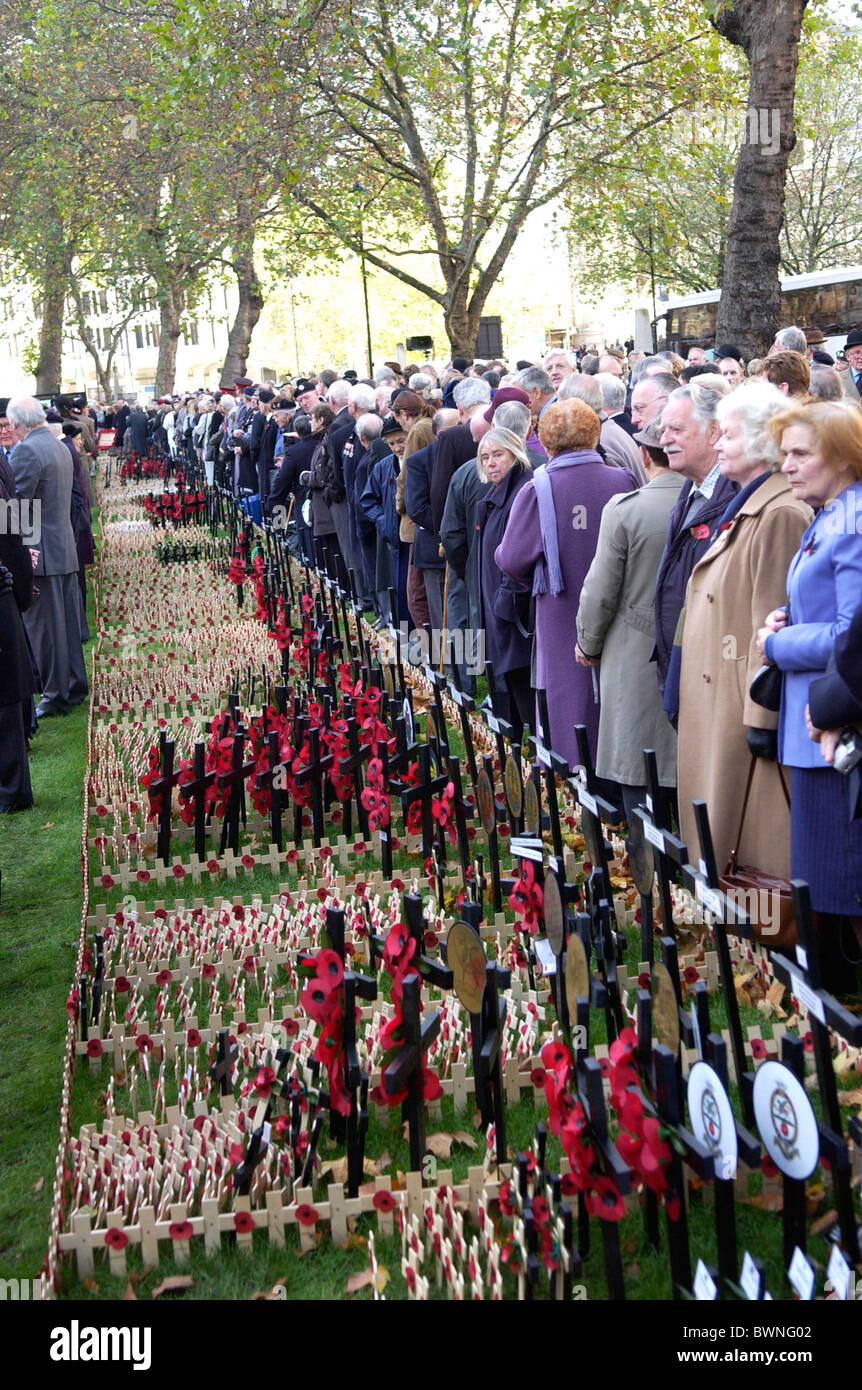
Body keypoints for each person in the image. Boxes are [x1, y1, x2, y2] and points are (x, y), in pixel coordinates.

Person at [675, 383, 812, 877]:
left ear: (757, 442)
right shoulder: (750, 504)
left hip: (738, 711)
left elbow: (768, 623)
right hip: (719, 703)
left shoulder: (779, 514)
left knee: (748, 855)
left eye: (727, 436)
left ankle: (751, 946)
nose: (716, 445)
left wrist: (760, 718)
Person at [756, 402, 862, 987]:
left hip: (836, 726)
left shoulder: (852, 520)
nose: (787, 466)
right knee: (831, 884)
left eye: (801, 453)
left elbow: (854, 637)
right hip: (815, 723)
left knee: (846, 882)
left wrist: (780, 644)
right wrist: (786, 618)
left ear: (843, 456)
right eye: (784, 453)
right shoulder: (829, 515)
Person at [496, 398, 635, 770]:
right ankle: (617, 775)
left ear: (546, 439)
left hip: (561, 609)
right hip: (622, 607)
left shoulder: (538, 488)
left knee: (568, 696)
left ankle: (570, 784)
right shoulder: (624, 480)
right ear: (594, 434)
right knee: (613, 693)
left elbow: (510, 559)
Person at [576, 413, 685, 831]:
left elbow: (600, 589)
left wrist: (587, 642)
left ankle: (652, 872)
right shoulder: (708, 502)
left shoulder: (626, 510)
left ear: (643, 455)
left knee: (639, 768)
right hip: (690, 652)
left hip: (635, 654)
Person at [654, 377, 735, 700]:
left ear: (713, 431)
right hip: (684, 669)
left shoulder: (734, 497)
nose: (664, 440)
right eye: (662, 430)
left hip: (715, 678)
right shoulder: (691, 488)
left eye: (675, 429)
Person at [7, 397, 87, 719]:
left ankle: (55, 695)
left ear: (16, 423)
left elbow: (18, 507)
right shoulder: (57, 445)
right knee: (66, 624)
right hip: (62, 544)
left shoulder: (26, 450)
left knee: (45, 630)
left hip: (41, 550)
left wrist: (17, 551)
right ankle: (74, 685)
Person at [475, 428, 533, 741]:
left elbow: (520, 557)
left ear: (515, 453)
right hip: (501, 611)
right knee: (511, 684)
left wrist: (505, 603)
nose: (491, 463)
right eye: (485, 457)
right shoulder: (496, 495)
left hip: (515, 614)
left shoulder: (522, 492)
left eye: (498, 455)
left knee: (524, 688)